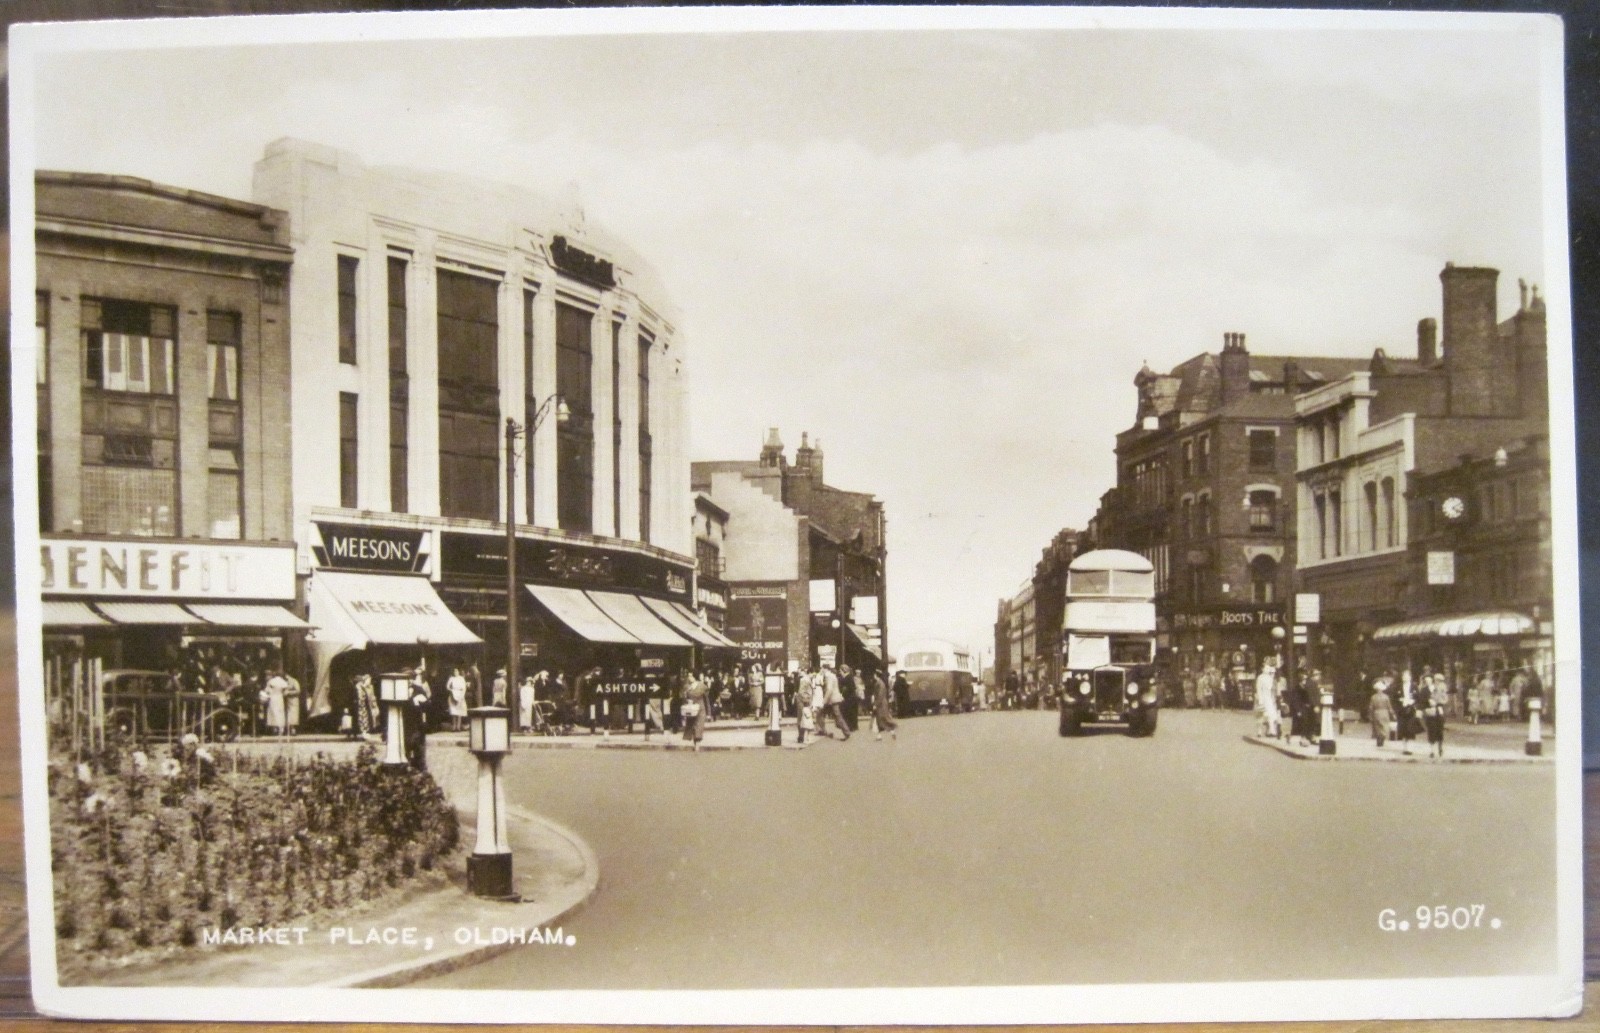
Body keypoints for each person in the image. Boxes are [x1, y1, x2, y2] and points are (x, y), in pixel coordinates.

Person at [406, 668, 431, 771]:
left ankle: (421, 773)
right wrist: (413, 701)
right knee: (405, 754)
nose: (409, 681)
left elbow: (428, 706)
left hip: (418, 726)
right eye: (407, 679)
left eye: (411, 678)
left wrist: (421, 702)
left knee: (420, 753)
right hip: (405, 726)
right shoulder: (399, 690)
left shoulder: (418, 689)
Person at [681, 670, 708, 750]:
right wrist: (685, 697)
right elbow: (683, 698)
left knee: (698, 727)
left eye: (691, 676)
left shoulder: (702, 686)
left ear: (695, 676)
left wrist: (709, 713)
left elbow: (706, 700)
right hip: (691, 709)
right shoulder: (686, 686)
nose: (690, 678)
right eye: (688, 676)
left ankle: (697, 745)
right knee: (692, 727)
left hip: (700, 709)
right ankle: (695, 743)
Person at [1368, 673, 1396, 748]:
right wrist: (1393, 714)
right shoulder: (1386, 697)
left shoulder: (1373, 697)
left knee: (1377, 727)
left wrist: (1370, 715)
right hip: (1385, 713)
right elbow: (1389, 707)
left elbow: (1371, 707)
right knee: (1384, 727)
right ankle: (1382, 738)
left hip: (1376, 713)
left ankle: (1379, 740)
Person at [871, 667, 898, 741]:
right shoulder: (880, 683)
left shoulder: (879, 683)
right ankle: (879, 735)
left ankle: (892, 731)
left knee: (883, 719)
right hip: (882, 703)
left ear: (876, 675)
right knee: (879, 720)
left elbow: (880, 695)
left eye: (874, 674)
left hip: (881, 704)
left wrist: (875, 705)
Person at [1254, 663, 1280, 738]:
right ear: (1262, 669)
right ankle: (1259, 731)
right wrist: (1260, 699)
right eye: (1265, 668)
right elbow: (1258, 688)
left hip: (1269, 698)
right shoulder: (1260, 678)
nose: (1267, 669)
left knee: (1270, 715)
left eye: (1268, 668)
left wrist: (1273, 699)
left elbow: (1272, 689)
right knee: (1260, 716)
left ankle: (1272, 731)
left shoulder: (1270, 678)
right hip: (1262, 698)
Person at [261, 668, 289, 737]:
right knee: (280, 712)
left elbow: (267, 691)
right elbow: (286, 692)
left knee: (273, 712)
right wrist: (283, 694)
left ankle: (274, 728)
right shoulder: (283, 681)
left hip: (273, 698)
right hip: (279, 697)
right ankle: (281, 728)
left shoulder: (271, 681)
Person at [354, 672, 379, 738]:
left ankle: (365, 731)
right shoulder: (359, 687)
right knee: (362, 718)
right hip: (361, 706)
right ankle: (363, 732)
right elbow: (360, 697)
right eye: (368, 680)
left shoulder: (368, 687)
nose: (369, 681)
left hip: (364, 706)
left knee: (365, 718)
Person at [838, 664, 861, 733]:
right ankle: (852, 726)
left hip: (849, 698)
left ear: (844, 670)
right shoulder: (849, 677)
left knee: (849, 712)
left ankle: (850, 727)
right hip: (851, 698)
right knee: (852, 713)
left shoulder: (848, 677)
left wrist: (843, 693)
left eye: (840, 671)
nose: (840, 673)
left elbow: (849, 688)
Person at [447, 667, 469, 732]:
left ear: (458, 672)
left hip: (460, 695)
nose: (455, 672)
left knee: (459, 712)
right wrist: (451, 690)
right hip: (453, 694)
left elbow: (464, 688)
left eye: (456, 671)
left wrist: (462, 695)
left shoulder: (461, 678)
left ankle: (458, 727)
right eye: (454, 671)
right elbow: (447, 686)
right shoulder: (451, 678)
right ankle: (454, 727)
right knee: (453, 711)